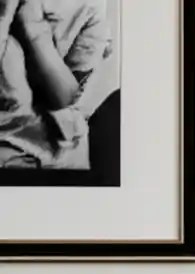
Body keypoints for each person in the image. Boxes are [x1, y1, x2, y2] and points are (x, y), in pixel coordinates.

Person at [0, 0, 113, 170]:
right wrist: (5, 14)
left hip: (62, 161)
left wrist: (35, 30)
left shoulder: (89, 7)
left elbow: (66, 99)